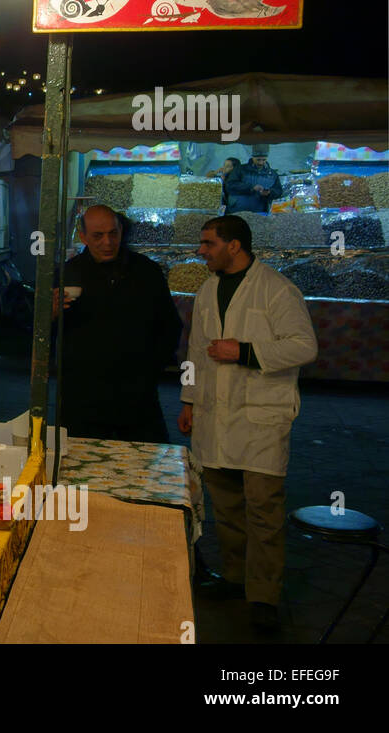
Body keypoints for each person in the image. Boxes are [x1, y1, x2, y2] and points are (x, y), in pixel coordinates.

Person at [178, 215, 317, 632]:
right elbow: (196, 349)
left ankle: (264, 597)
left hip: (260, 418)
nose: (201, 250)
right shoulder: (207, 289)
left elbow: (305, 346)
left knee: (263, 512)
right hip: (213, 415)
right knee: (226, 507)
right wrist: (188, 399)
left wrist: (245, 351)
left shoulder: (276, 289)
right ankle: (236, 578)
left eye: (208, 243)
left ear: (233, 246)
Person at [58, 205, 183, 441]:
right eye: (98, 236)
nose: (107, 242)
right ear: (83, 237)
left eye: (113, 233)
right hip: (84, 397)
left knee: (145, 465)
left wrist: (150, 369)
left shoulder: (147, 271)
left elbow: (170, 326)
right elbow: (40, 331)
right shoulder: (67, 274)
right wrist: (50, 313)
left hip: (137, 397)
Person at [225, 146, 283, 214]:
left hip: (260, 212)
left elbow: (279, 191)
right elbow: (230, 185)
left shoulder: (273, 174)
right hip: (238, 210)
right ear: (253, 157)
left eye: (264, 160)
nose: (261, 163)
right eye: (258, 160)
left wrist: (269, 192)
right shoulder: (240, 169)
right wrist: (251, 187)